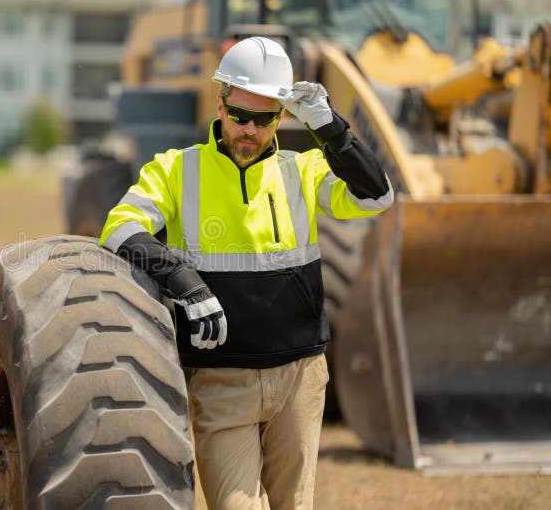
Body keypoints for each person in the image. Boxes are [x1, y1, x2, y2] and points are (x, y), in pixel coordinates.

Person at [100, 36, 393, 509]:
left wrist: (329, 125)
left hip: (300, 379)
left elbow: (376, 197)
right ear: (220, 104)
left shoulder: (303, 170)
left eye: (264, 118)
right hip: (222, 382)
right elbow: (118, 229)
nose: (249, 130)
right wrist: (184, 282)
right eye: (239, 115)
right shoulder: (176, 171)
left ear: (281, 117)